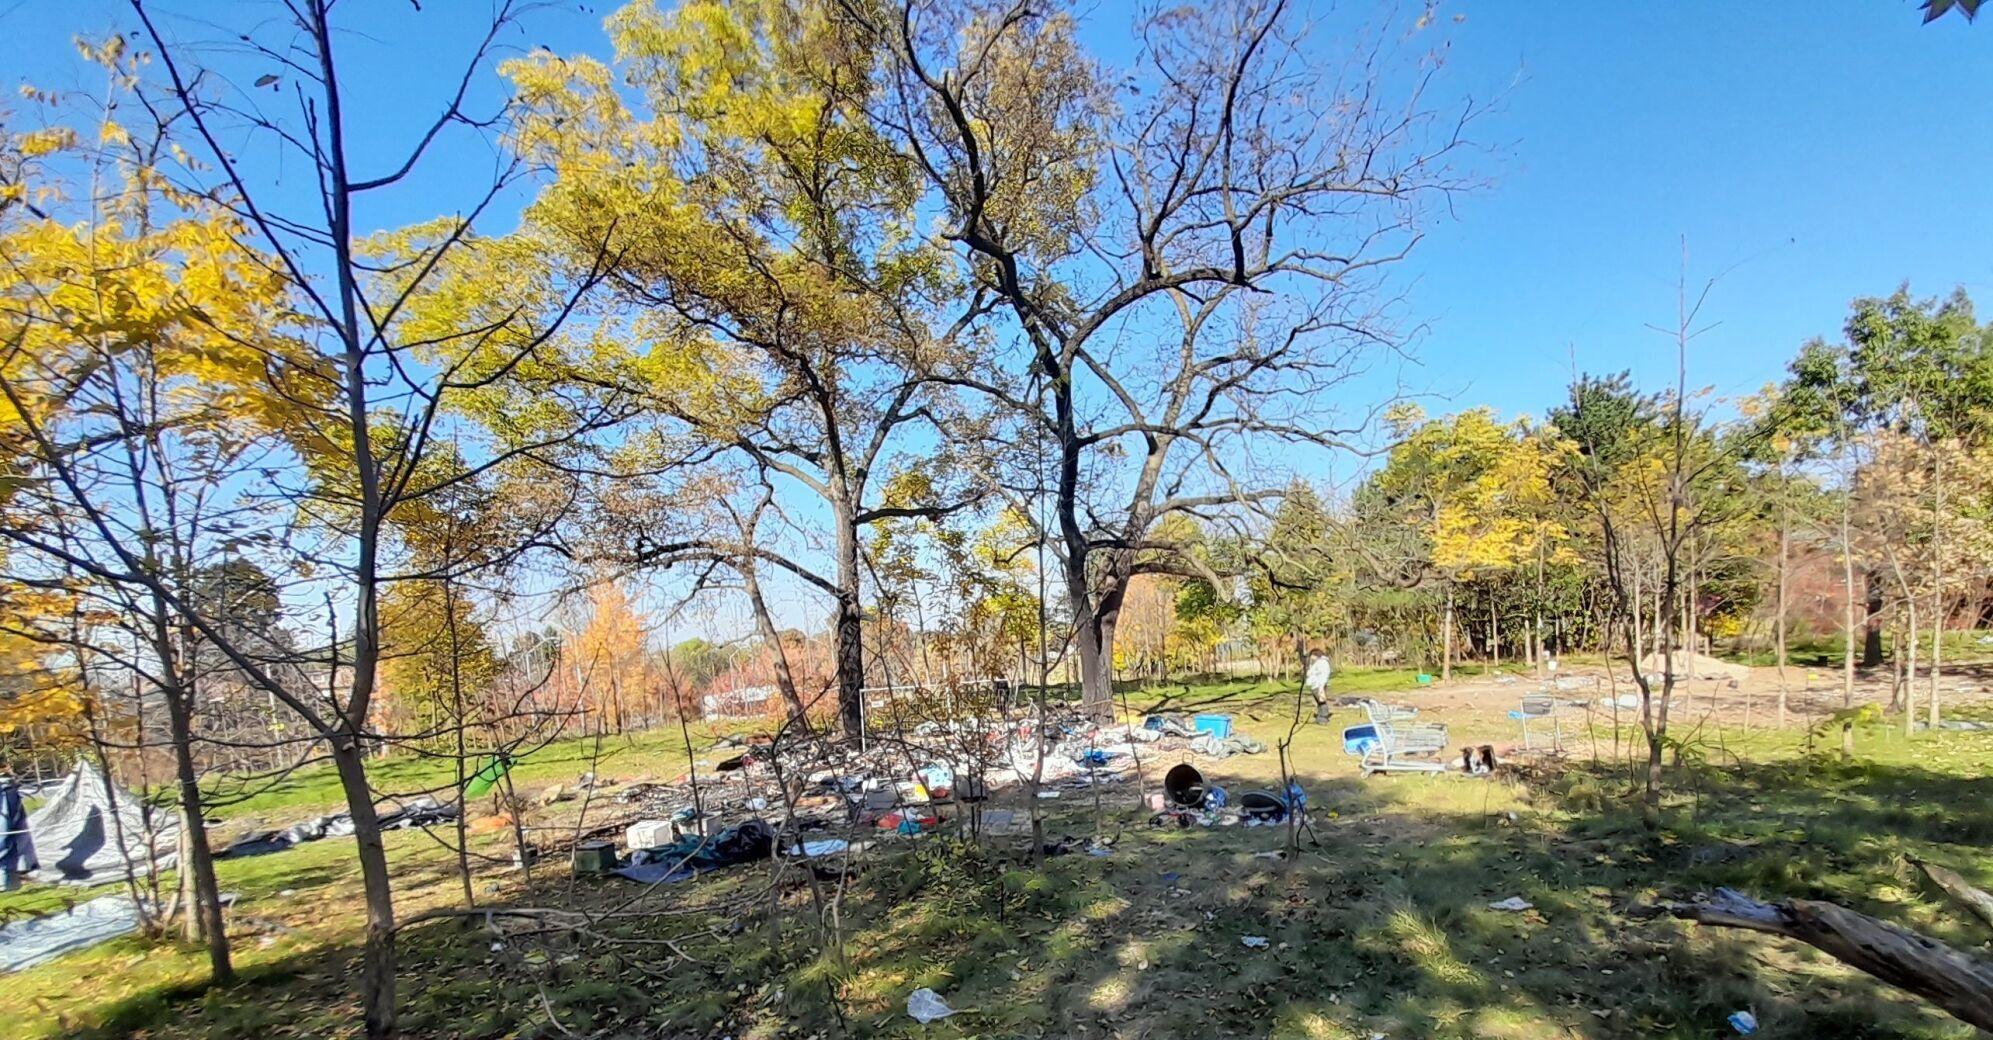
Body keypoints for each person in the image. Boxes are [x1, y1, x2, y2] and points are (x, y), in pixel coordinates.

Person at [1304, 652, 1333, 724]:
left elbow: (1324, 675)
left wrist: (1321, 687)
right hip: (1315, 685)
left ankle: (1323, 718)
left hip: (1319, 685)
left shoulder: (1322, 663)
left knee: (1322, 701)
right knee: (1319, 702)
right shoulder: (1316, 663)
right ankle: (1320, 718)